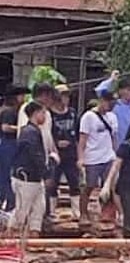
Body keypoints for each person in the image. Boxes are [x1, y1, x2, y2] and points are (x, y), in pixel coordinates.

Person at [10, 102, 49, 235]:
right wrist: (46, 173)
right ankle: (11, 240)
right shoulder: (29, 132)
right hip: (26, 176)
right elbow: (35, 154)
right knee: (22, 211)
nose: (44, 116)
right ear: (35, 113)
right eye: (43, 113)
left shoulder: (33, 130)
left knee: (39, 209)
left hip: (35, 177)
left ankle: (34, 238)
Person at [78, 90, 117, 223]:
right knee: (89, 185)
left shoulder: (112, 117)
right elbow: (83, 139)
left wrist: (115, 154)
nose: (109, 105)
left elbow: (113, 137)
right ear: (101, 101)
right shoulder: (88, 117)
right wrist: (81, 158)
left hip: (108, 156)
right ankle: (83, 213)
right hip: (92, 157)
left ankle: (107, 212)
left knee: (110, 185)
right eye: (107, 102)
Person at [48, 84, 79, 214]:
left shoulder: (72, 113)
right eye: (63, 95)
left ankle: (76, 211)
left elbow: (77, 134)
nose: (65, 98)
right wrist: (56, 143)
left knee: (74, 182)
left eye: (67, 95)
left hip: (71, 153)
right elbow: (46, 134)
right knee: (53, 183)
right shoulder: (49, 114)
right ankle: (51, 211)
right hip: (55, 154)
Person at [0, 85, 25, 211]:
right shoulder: (9, 111)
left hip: (9, 144)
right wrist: (20, 128)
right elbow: (5, 127)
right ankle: (9, 201)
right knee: (7, 174)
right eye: (22, 95)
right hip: (8, 144)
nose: (24, 98)